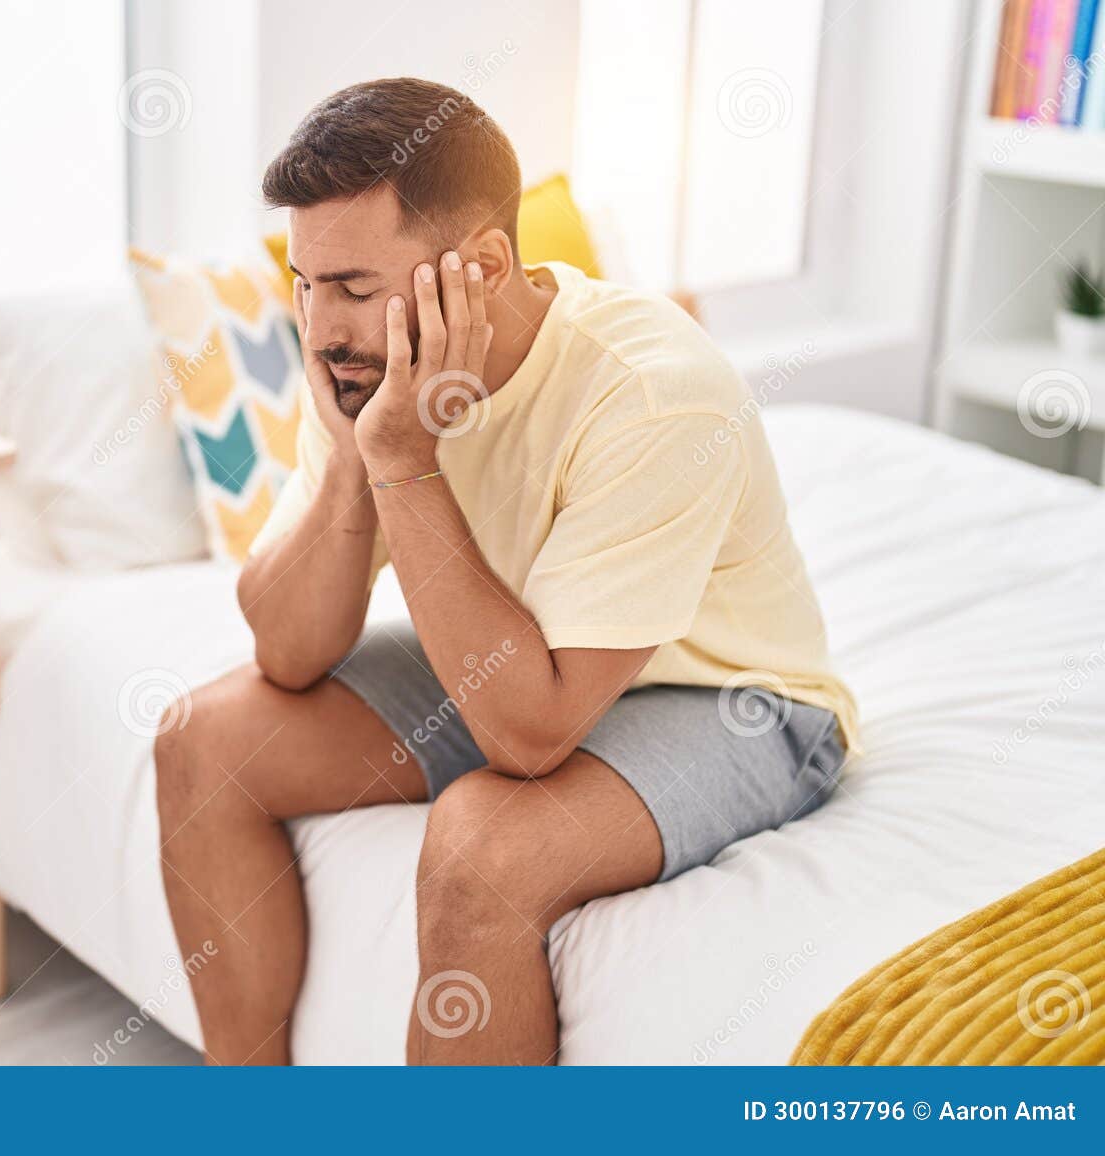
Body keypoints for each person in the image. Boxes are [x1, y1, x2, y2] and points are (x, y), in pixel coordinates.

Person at [155, 77, 857, 1066]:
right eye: (305, 287)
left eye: (354, 287)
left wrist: (404, 461)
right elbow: (287, 647)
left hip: (725, 695)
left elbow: (527, 737)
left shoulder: (655, 393)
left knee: (481, 842)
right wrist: (360, 458)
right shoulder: (365, 367)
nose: (319, 331)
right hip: (514, 652)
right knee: (201, 740)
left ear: (481, 266)